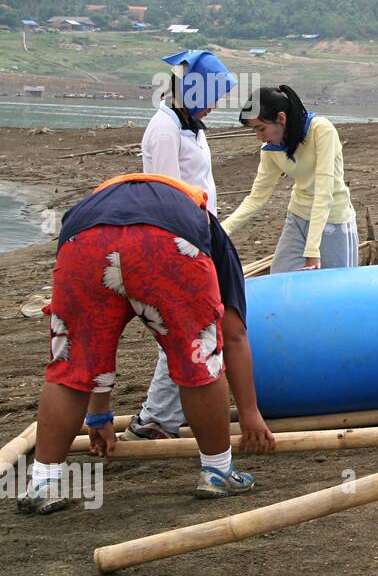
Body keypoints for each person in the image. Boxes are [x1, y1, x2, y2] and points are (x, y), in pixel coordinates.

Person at [19, 174, 275, 515]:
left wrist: (99, 418)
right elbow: (232, 335)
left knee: (73, 359)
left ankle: (43, 482)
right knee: (197, 356)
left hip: (83, 242)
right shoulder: (204, 221)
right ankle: (217, 471)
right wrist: (248, 412)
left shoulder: (91, 206)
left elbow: (95, 347)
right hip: (167, 244)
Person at [124, 50, 238, 442]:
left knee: (190, 329)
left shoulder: (190, 126)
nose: (215, 105)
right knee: (185, 327)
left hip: (201, 236)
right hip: (180, 241)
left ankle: (161, 416)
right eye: (212, 95)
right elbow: (168, 194)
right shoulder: (165, 129)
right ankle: (158, 418)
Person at [222, 86, 359, 272]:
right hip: (298, 216)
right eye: (255, 130)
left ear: (281, 118)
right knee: (281, 276)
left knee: (334, 288)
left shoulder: (321, 130)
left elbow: (324, 192)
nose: (259, 137)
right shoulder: (271, 149)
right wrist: (222, 231)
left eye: (261, 129)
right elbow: (256, 198)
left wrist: (312, 251)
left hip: (332, 220)